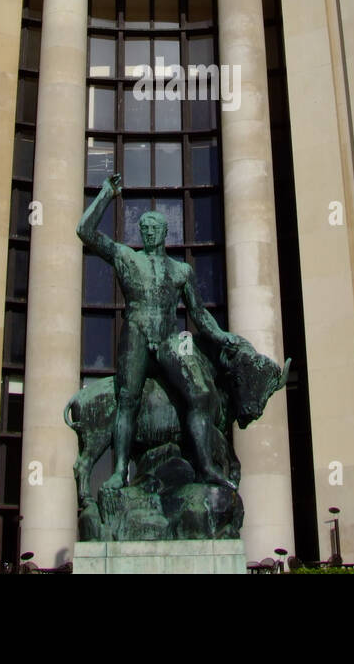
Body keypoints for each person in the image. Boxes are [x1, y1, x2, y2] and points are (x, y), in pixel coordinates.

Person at [76, 173, 240, 501]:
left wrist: (221, 336)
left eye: (155, 228)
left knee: (199, 395)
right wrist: (106, 194)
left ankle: (205, 465)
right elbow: (85, 232)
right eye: (145, 228)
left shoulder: (181, 271)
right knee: (127, 401)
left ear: (166, 233)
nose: (150, 232)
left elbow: (199, 314)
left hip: (168, 342)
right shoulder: (127, 258)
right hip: (136, 333)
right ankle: (120, 471)